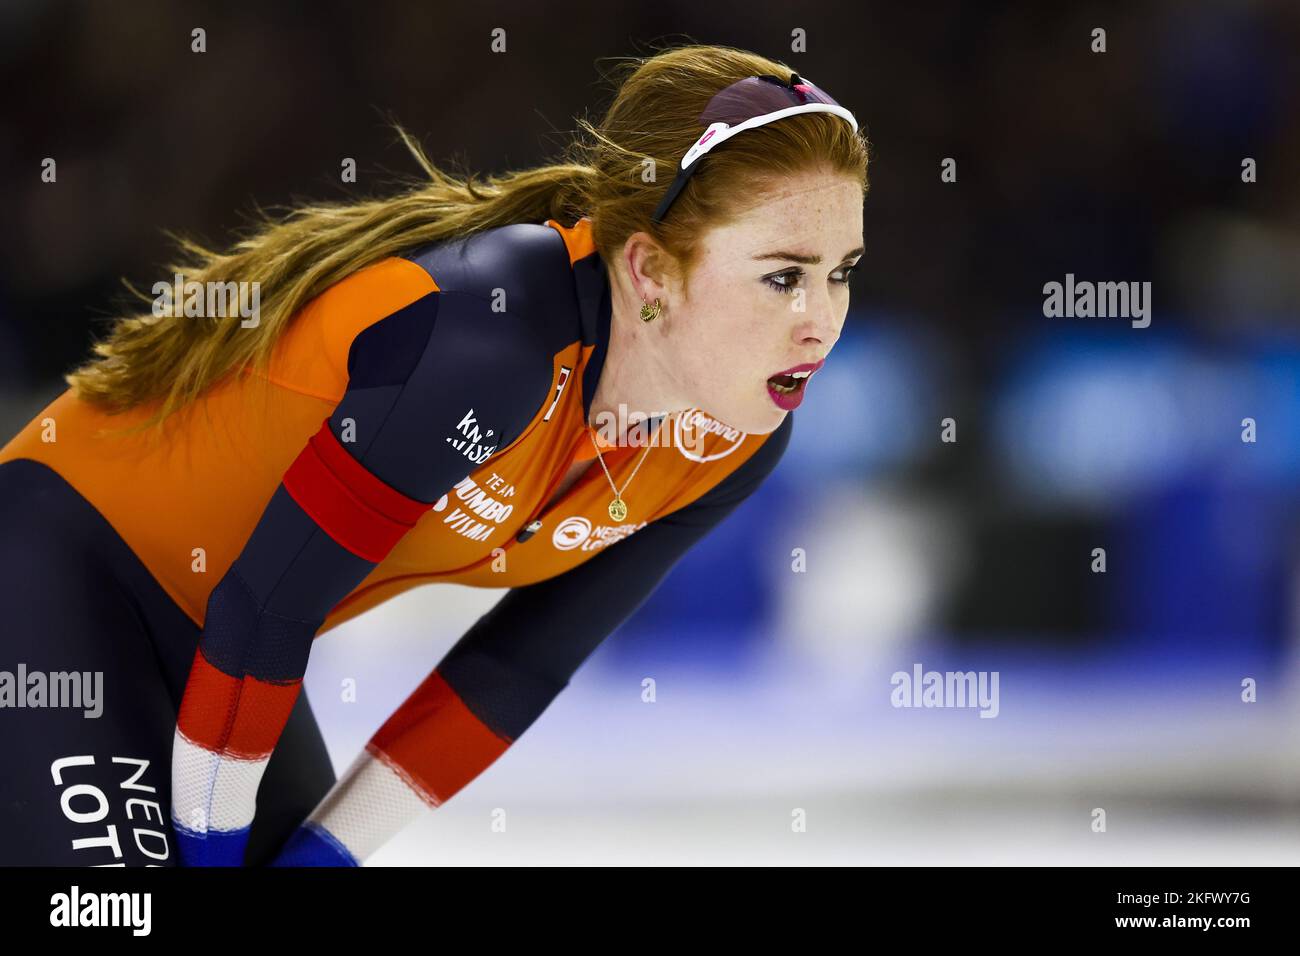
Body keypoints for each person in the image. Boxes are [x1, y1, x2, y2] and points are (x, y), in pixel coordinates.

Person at [0, 43, 868, 866]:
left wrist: (325, 857)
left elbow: (516, 666)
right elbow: (264, 610)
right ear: (649, 271)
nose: (822, 323)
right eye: (783, 276)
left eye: (843, 272)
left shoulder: (735, 438)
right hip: (63, 559)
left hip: (224, 633)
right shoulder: (491, 346)